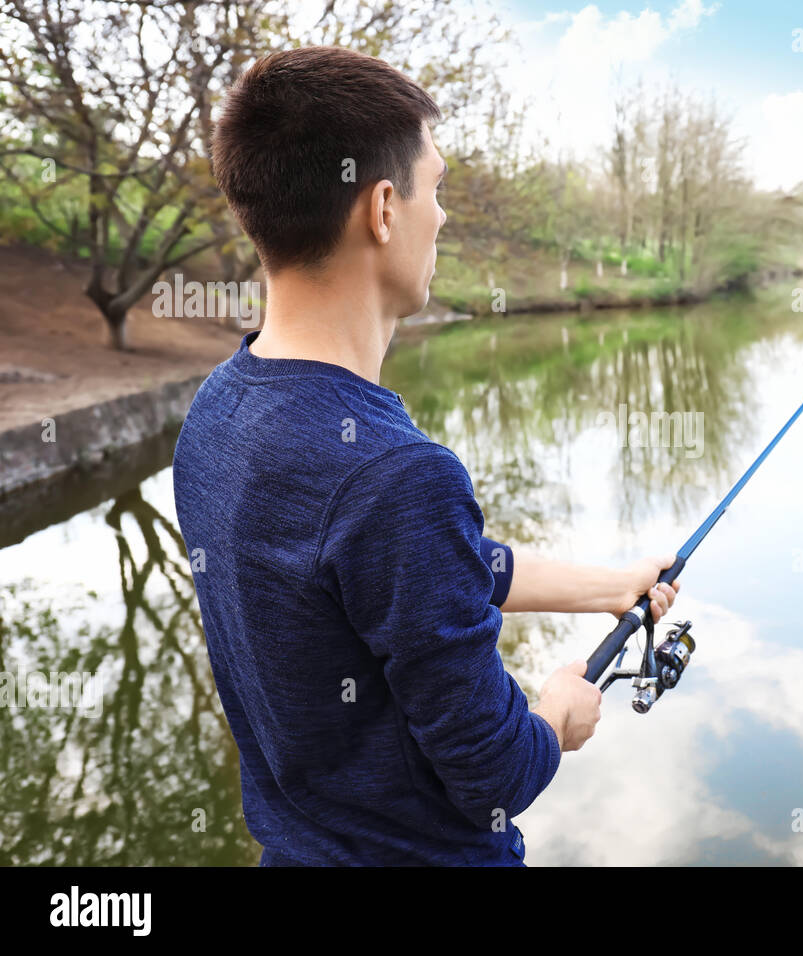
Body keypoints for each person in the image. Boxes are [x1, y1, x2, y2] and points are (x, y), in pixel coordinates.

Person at [172, 46, 678, 866]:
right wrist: (557, 714)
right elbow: (497, 771)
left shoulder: (218, 412)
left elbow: (416, 573)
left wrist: (608, 588)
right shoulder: (394, 474)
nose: (440, 215)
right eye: (435, 188)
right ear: (382, 208)